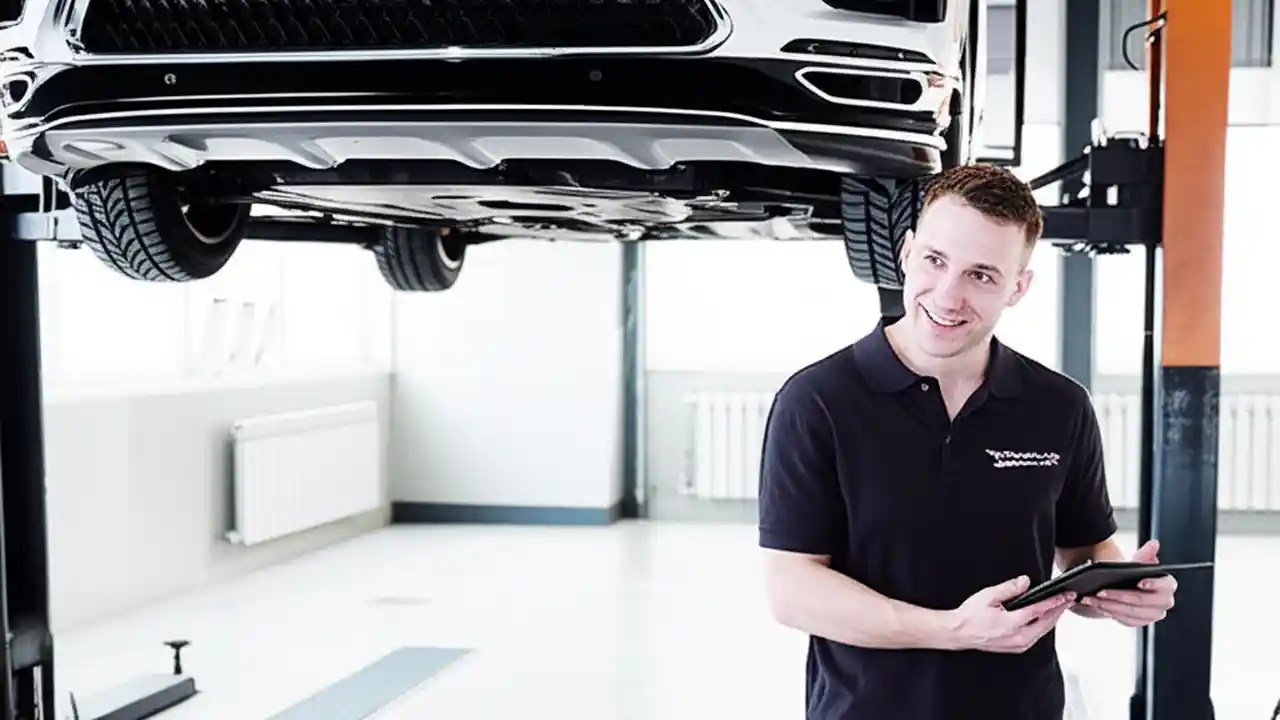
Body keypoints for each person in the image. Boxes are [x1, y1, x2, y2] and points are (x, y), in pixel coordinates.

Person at [757, 164, 1178, 719]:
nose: (948, 296)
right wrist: (953, 630)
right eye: (935, 261)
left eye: (981, 275)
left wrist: (1120, 591)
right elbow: (793, 590)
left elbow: (1084, 551)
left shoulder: (1059, 406)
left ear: (1018, 288)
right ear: (906, 254)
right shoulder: (817, 402)